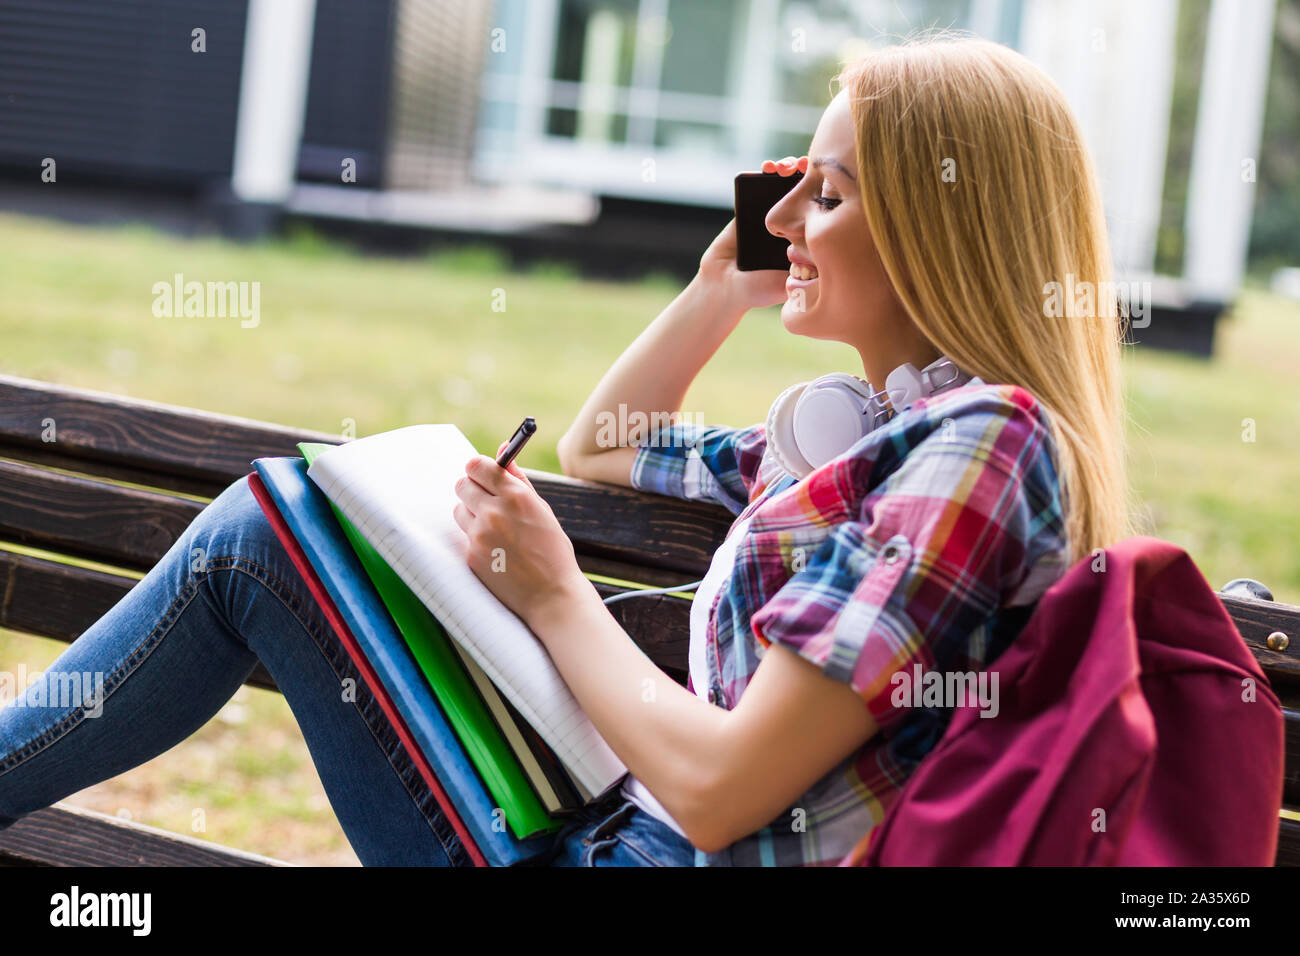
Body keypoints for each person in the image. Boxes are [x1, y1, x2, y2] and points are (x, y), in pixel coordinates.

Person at [0, 34, 1129, 866]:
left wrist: (550, 592)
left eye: (823, 196)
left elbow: (725, 788)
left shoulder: (980, 446)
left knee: (257, 543)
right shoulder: (858, 433)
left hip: (640, 850)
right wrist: (713, 290)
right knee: (269, 529)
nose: (781, 222)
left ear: (943, 225)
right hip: (612, 833)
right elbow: (603, 445)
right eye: (787, 194)